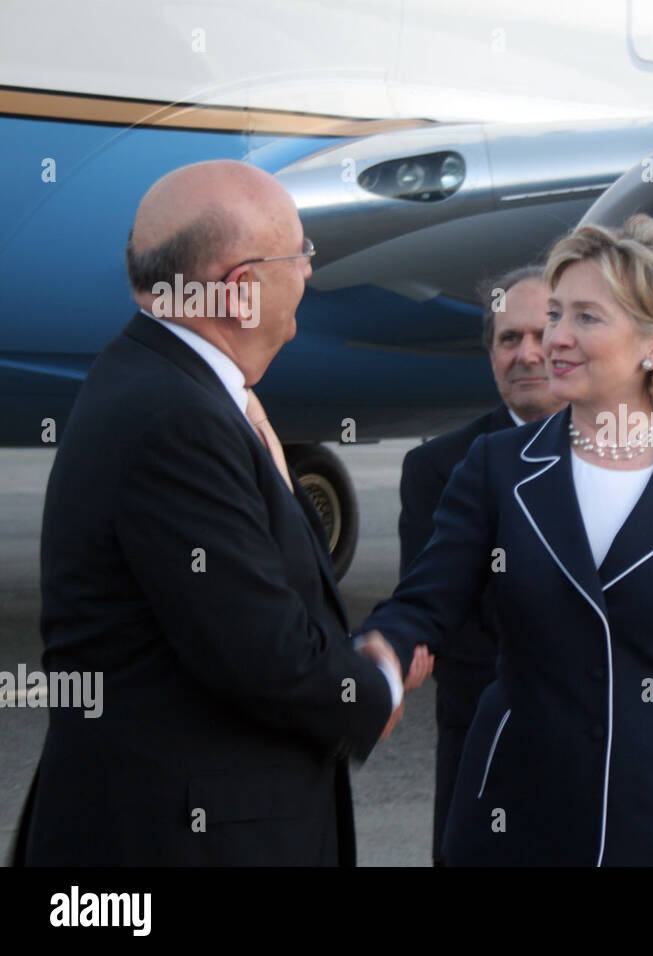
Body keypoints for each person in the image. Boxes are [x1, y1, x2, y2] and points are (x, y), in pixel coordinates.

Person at [360, 214, 653, 865]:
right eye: (556, 314)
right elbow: (425, 602)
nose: (553, 340)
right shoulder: (496, 466)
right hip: (518, 822)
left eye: (585, 319)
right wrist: (381, 656)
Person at [12, 160, 410, 866]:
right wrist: (374, 684)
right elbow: (263, 656)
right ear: (240, 290)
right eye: (300, 255)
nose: (310, 273)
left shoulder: (158, 381)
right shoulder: (176, 418)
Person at [397, 265, 565, 864]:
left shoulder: (628, 457)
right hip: (485, 748)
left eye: (542, 335)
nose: (527, 354)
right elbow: (441, 623)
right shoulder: (437, 469)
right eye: (508, 339)